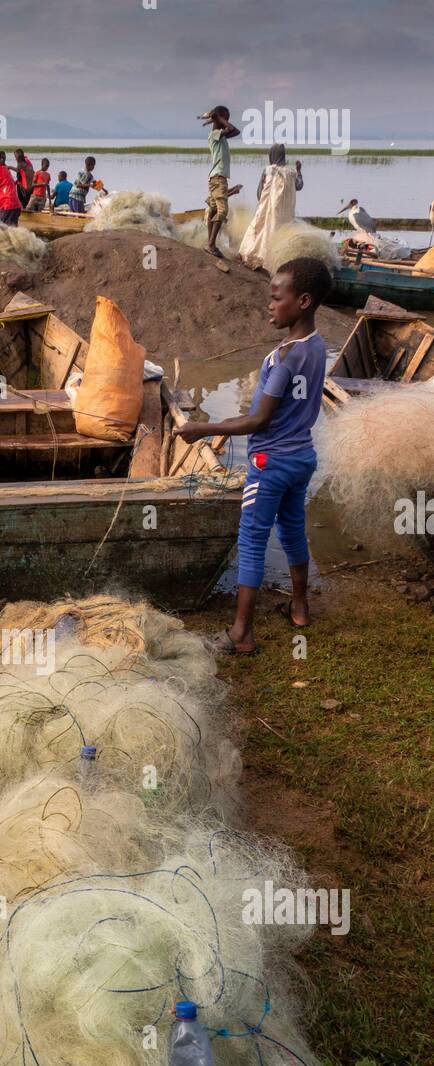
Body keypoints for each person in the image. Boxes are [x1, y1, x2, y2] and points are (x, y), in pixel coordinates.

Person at [174, 258, 332, 655]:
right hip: (301, 459)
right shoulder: (316, 346)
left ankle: (241, 633)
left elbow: (259, 420)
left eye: (277, 298)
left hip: (270, 465)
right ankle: (299, 607)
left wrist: (203, 430)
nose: (269, 305)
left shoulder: (282, 360)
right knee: (293, 529)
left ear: (304, 301)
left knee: (252, 539)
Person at [237, 145, 303, 271]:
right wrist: (299, 170)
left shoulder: (268, 171)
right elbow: (299, 186)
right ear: (283, 156)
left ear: (272, 155)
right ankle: (275, 262)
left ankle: (252, 257)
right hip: (285, 215)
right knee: (280, 235)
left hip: (266, 211)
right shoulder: (292, 173)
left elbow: (259, 193)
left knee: (258, 231)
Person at [200, 105, 240, 258]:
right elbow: (233, 129)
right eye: (226, 118)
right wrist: (219, 118)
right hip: (218, 177)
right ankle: (210, 245)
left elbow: (235, 131)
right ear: (219, 119)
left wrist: (219, 118)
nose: (227, 122)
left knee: (213, 209)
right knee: (222, 211)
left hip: (216, 177)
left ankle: (210, 244)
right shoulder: (215, 134)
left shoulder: (221, 135)